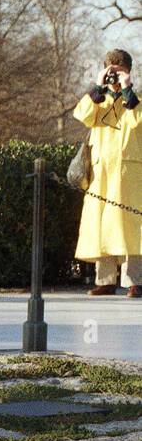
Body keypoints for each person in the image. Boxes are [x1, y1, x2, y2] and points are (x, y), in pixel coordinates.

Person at [75, 49, 142, 297]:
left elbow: (137, 119)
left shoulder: (136, 98)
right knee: (102, 224)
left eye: (120, 70)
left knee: (131, 225)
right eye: (111, 70)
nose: (115, 75)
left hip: (130, 172)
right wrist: (97, 86)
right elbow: (81, 115)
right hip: (102, 172)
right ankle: (105, 280)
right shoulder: (98, 99)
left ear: (129, 71)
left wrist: (127, 90)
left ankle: (135, 280)